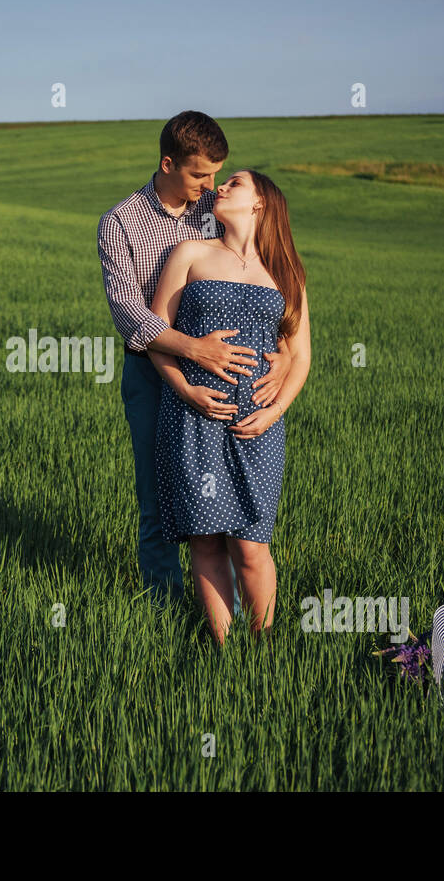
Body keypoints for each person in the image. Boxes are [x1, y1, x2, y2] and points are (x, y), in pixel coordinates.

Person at [98, 112, 294, 613]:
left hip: (229, 378)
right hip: (151, 370)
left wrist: (285, 357)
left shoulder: (216, 206)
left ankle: (229, 610)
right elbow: (130, 314)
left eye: (216, 175)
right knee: (158, 501)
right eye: (200, 174)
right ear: (168, 163)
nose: (210, 186)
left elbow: (271, 276)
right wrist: (193, 350)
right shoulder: (121, 223)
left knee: (227, 510)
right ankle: (167, 608)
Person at [148, 168, 310, 645]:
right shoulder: (191, 253)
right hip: (193, 419)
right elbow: (157, 337)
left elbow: (300, 357)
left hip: (257, 426)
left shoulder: (286, 271)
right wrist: (188, 392)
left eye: (235, 183)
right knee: (205, 539)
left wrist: (274, 411)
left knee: (252, 543)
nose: (220, 187)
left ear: (260, 204)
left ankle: (261, 652)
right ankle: (222, 652)